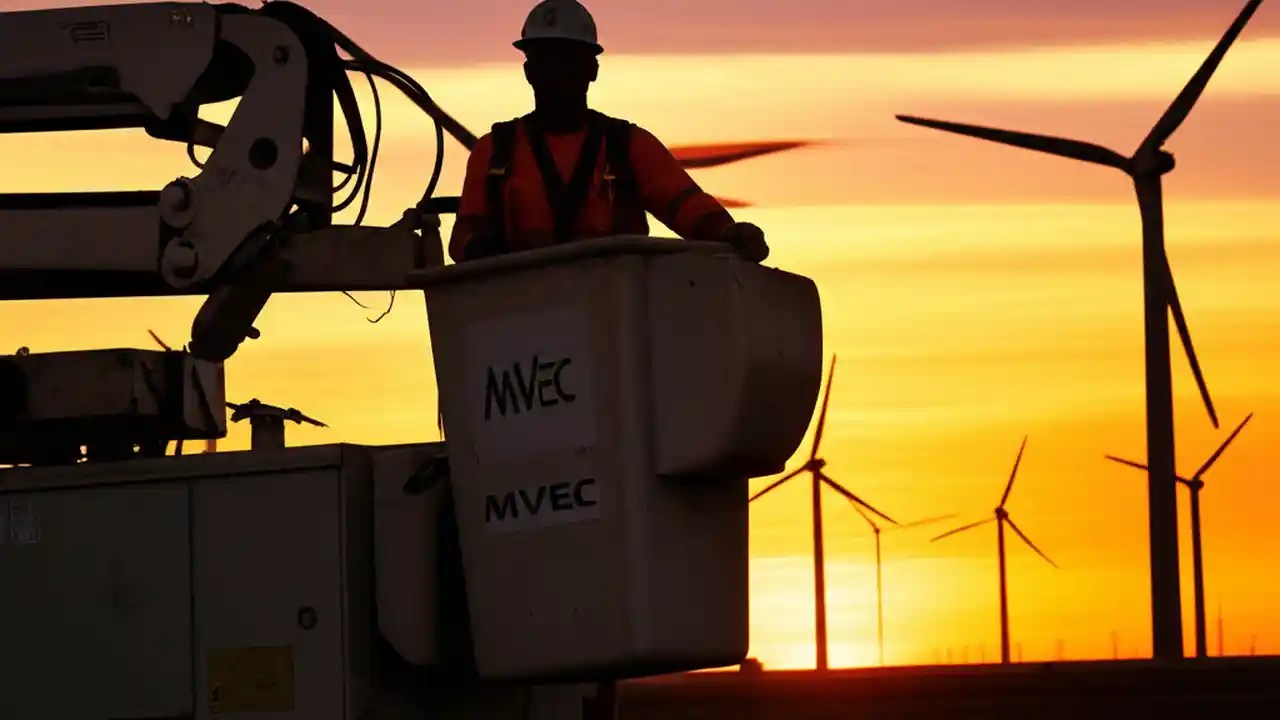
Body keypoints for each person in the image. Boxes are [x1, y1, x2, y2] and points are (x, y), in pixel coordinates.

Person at [448, 0, 770, 264]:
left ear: (592, 69)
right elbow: (465, 234)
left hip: (615, 314)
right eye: (545, 58)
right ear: (529, 70)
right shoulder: (494, 151)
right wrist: (478, 248)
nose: (556, 70)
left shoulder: (627, 146)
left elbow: (684, 204)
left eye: (567, 58)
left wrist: (729, 232)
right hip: (521, 315)